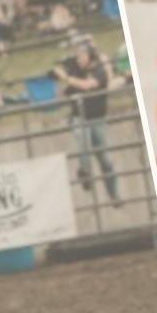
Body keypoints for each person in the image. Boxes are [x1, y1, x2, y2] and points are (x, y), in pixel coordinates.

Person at [53, 32, 121, 201]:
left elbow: (89, 85)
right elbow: (61, 95)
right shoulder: (74, 71)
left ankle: (114, 194)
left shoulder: (99, 70)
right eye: (77, 56)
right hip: (79, 116)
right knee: (82, 140)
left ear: (89, 56)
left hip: (98, 118)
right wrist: (59, 80)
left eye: (82, 56)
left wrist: (66, 77)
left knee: (104, 158)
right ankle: (86, 173)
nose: (79, 60)